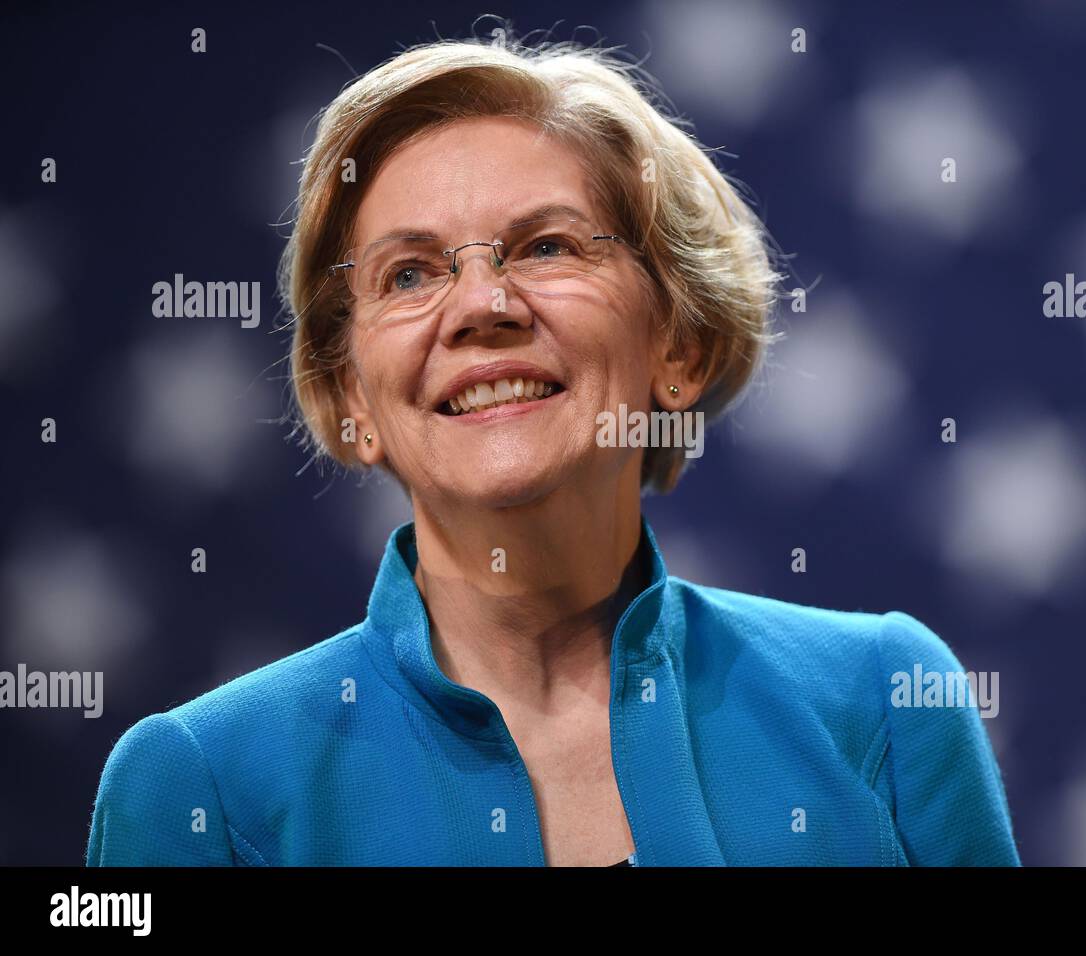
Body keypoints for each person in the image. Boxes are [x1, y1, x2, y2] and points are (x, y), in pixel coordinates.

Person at [86, 32, 1020, 867]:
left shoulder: (889, 701)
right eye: (409, 273)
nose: (482, 305)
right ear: (348, 396)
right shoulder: (195, 785)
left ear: (679, 348)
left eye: (546, 248)